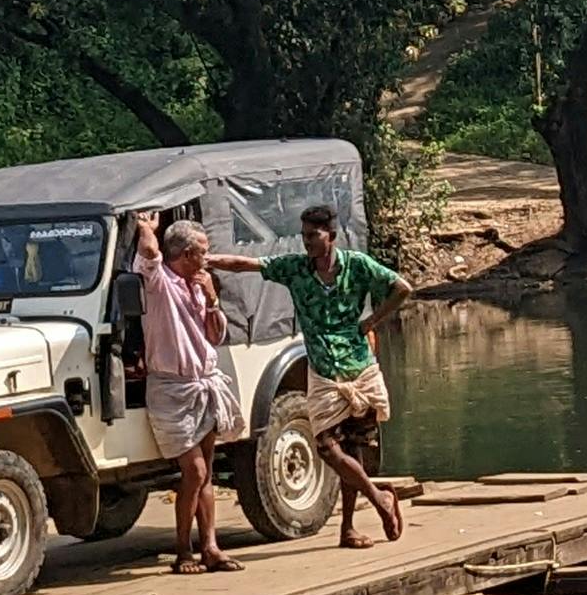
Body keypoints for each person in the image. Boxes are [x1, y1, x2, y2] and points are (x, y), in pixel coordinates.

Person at [220, 201, 405, 547]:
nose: (305, 242)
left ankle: (348, 527)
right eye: (303, 235)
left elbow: (402, 288)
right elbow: (247, 264)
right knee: (327, 449)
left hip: (358, 367)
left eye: (312, 235)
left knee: (355, 446)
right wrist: (206, 260)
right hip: (323, 372)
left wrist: (372, 321)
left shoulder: (358, 265)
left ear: (331, 236)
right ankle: (379, 497)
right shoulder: (296, 270)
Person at [133, 212, 236, 575]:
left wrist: (211, 299)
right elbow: (149, 255)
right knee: (192, 471)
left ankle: (210, 545)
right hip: (171, 389)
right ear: (187, 254)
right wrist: (147, 229)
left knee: (205, 472)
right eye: (202, 252)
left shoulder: (197, 286)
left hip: (203, 383)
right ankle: (183, 550)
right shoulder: (159, 284)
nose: (207, 259)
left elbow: (214, 335)